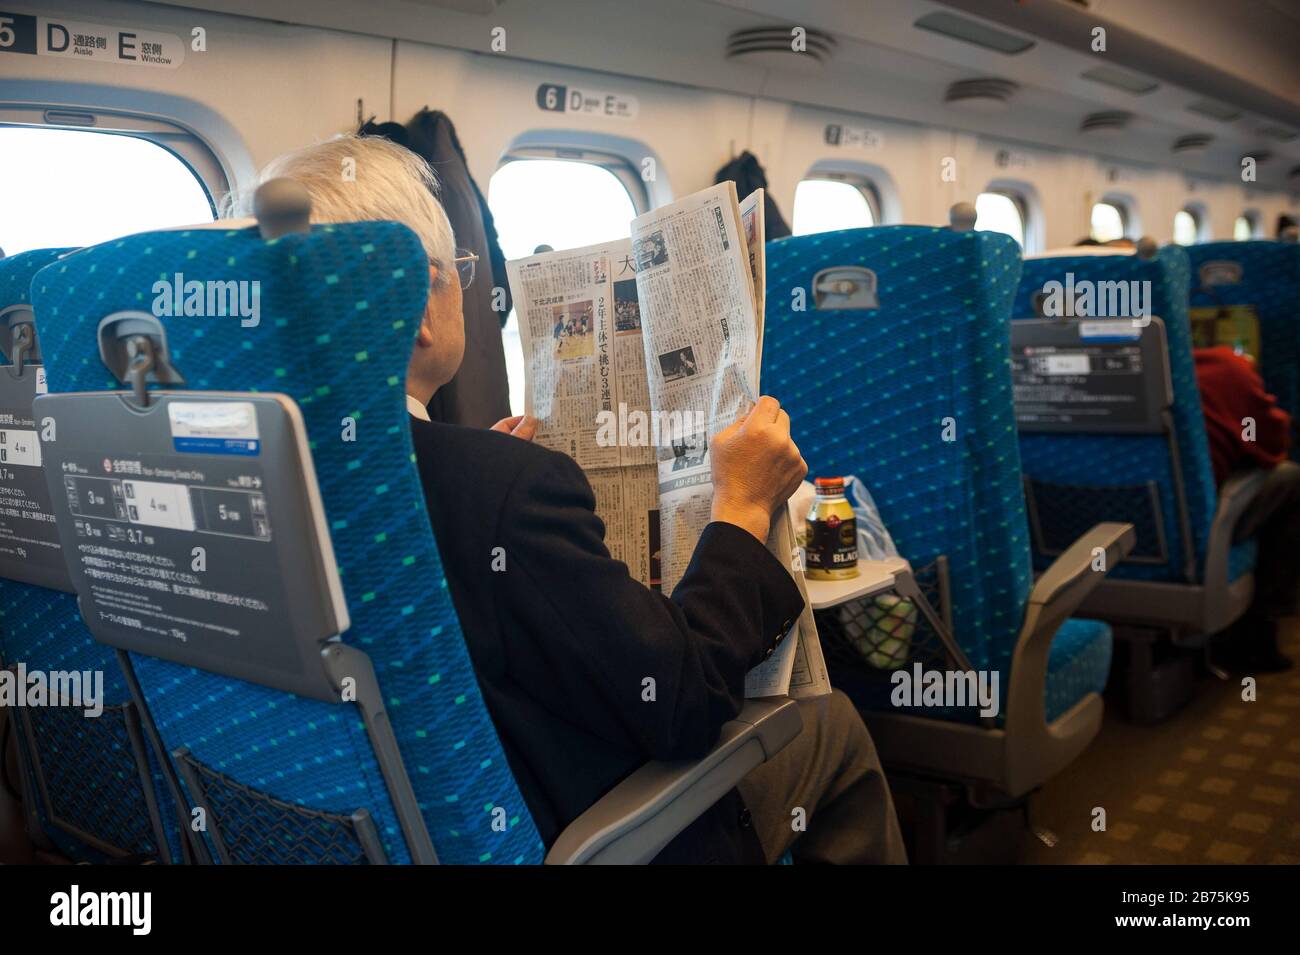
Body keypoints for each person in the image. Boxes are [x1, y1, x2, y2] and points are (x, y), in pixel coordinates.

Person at [256, 134, 906, 864]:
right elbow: (682, 698)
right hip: (587, 827)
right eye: (457, 274)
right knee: (835, 727)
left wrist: (498, 483)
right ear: (417, 307)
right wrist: (743, 510)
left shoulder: (257, 480)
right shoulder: (493, 491)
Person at [1194, 346, 1298, 672]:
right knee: (1290, 479)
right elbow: (1271, 444)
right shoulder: (1223, 367)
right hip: (1195, 534)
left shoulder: (1040, 370)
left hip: (1082, 546)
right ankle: (1257, 631)